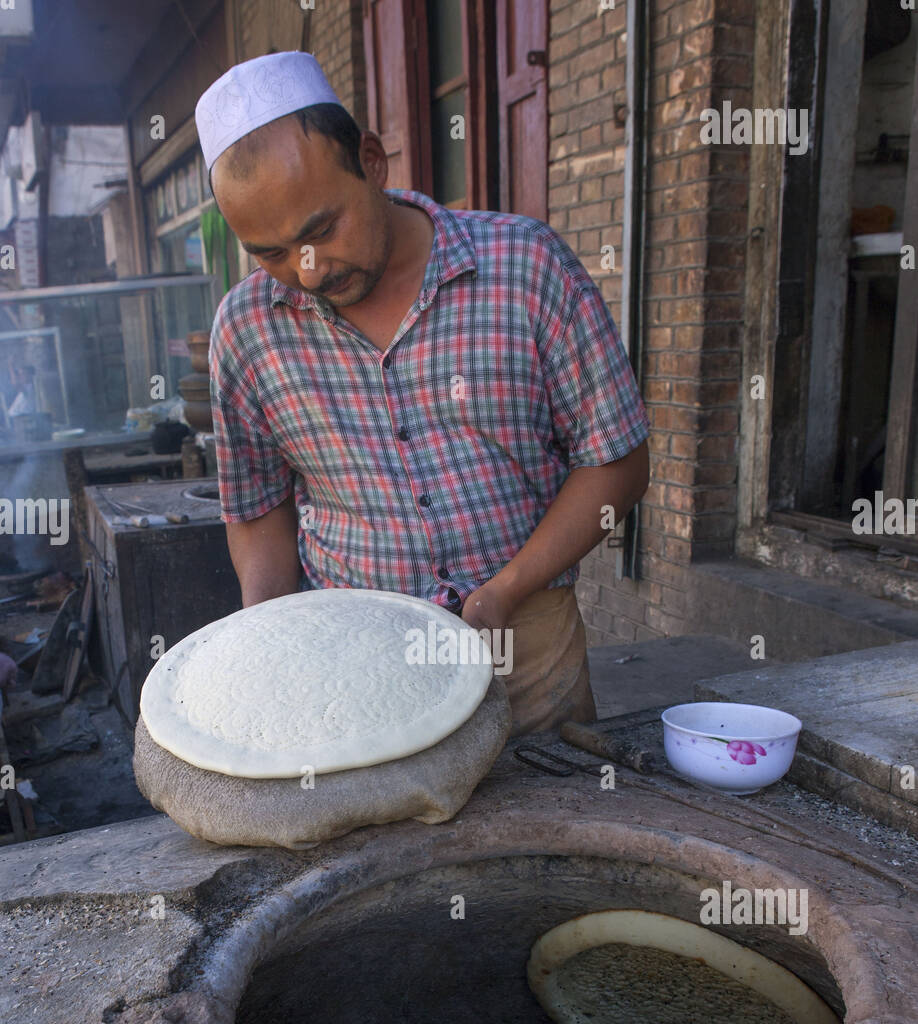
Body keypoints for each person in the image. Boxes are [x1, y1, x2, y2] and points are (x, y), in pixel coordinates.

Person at [196, 52, 650, 735]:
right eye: (271, 253)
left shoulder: (524, 269)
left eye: (322, 231)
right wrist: (269, 647)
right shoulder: (246, 330)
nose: (308, 270)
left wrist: (506, 589)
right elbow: (259, 511)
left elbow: (617, 462)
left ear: (373, 161)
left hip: (525, 644)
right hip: (350, 667)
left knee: (555, 825)